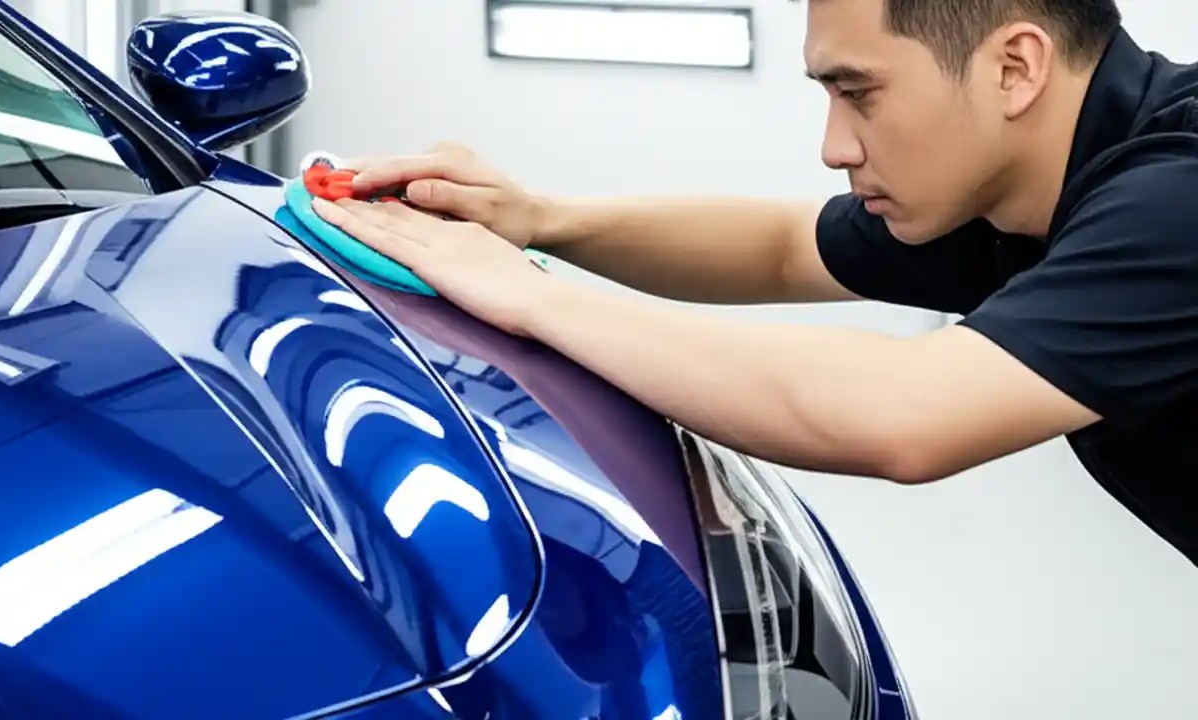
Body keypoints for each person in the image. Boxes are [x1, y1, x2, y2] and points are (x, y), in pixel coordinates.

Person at [310, 0, 1198, 565]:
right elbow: (781, 248)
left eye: (860, 93)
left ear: (1016, 68)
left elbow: (907, 415)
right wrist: (540, 220)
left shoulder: (1175, 197)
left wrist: (527, 294)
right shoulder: (1028, 191)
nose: (834, 146)